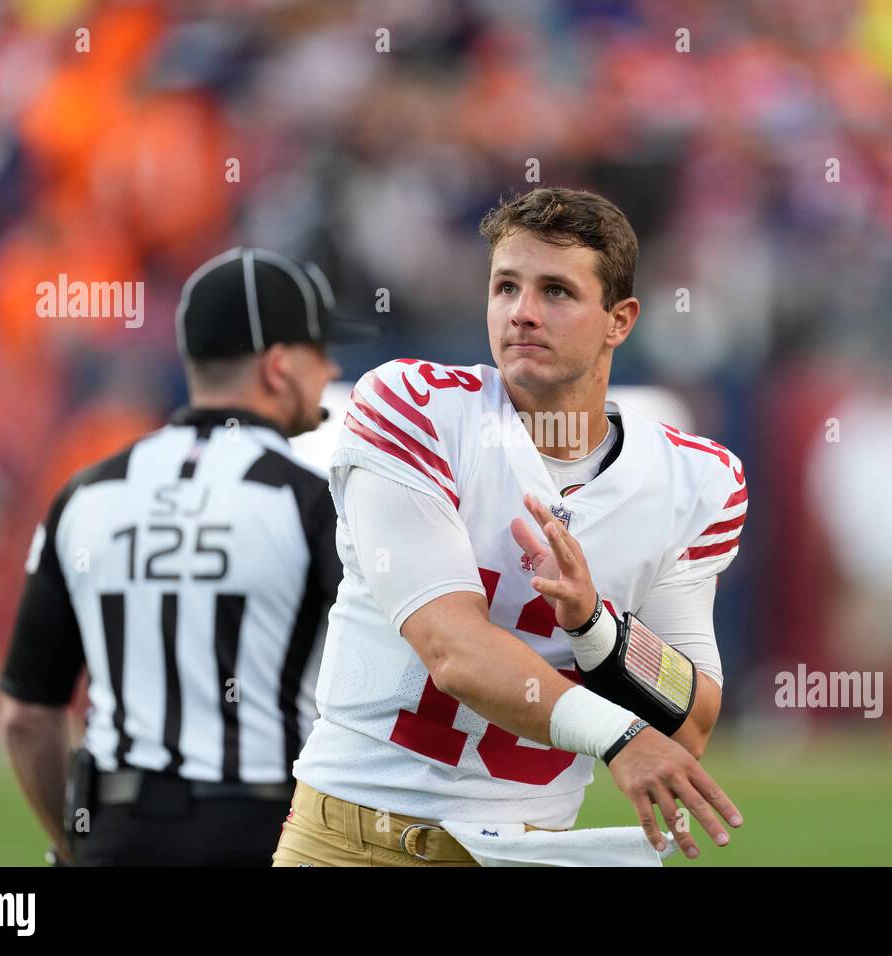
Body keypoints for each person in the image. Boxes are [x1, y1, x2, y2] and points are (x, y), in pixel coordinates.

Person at [274, 188, 746, 867]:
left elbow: (691, 720)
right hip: (354, 838)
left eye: (556, 291)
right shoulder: (414, 409)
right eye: (505, 287)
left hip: (529, 852)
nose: (522, 313)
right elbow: (454, 650)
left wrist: (596, 628)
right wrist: (619, 736)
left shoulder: (697, 480)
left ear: (620, 320)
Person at [0, 247, 376, 865]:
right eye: (319, 350)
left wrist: (77, 844)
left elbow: (25, 717)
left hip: (117, 830)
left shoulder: (86, 493)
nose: (329, 367)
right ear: (278, 366)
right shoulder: (313, 502)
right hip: (266, 830)